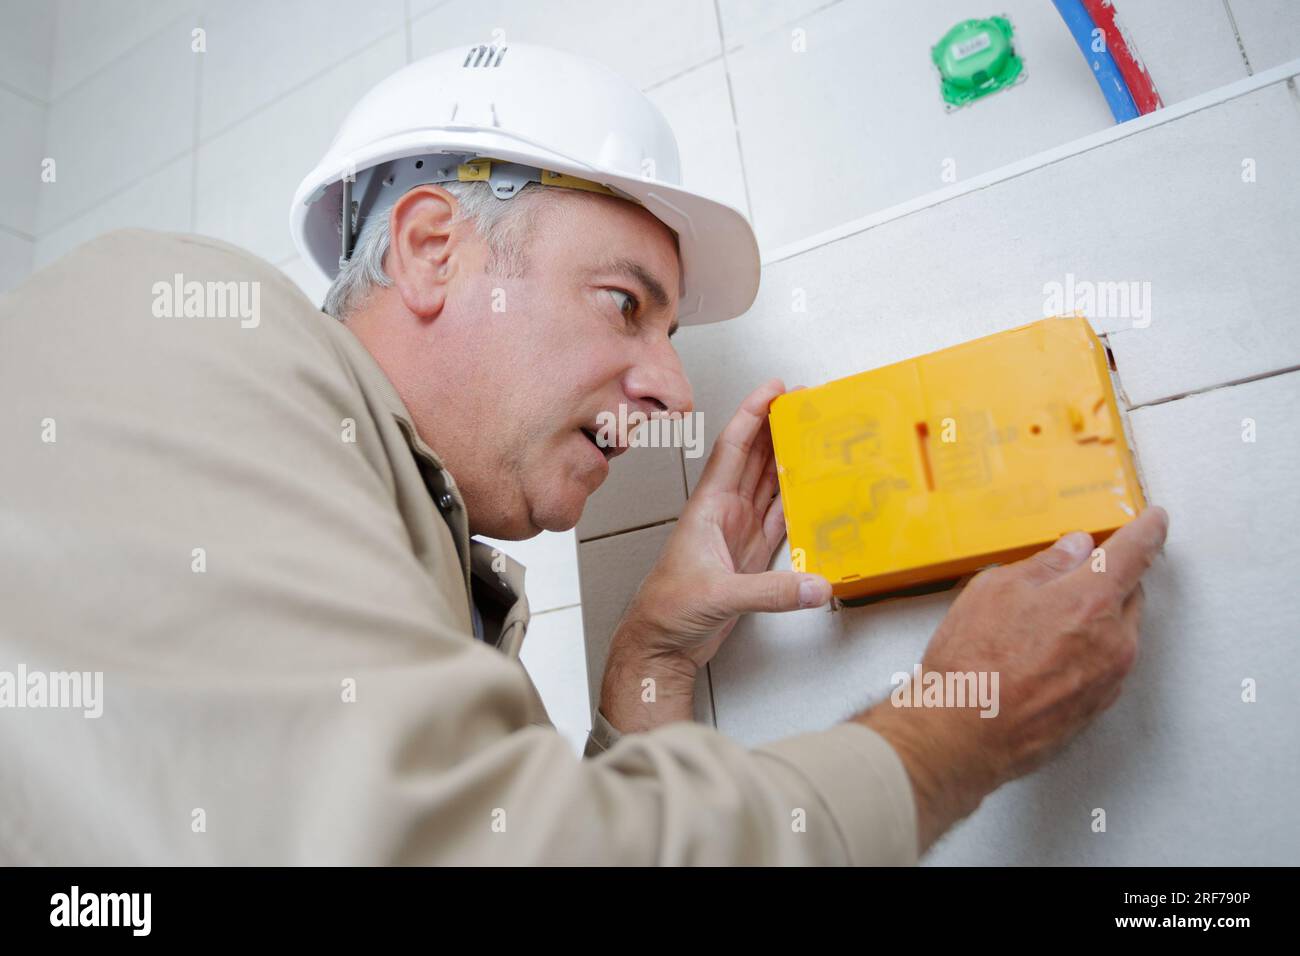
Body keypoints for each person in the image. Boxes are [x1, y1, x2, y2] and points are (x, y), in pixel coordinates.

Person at [0, 43, 1167, 865]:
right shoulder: (176, 319)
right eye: (624, 303)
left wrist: (649, 667)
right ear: (430, 250)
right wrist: (950, 731)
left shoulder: (417, 578)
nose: (669, 383)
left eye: (670, 332)